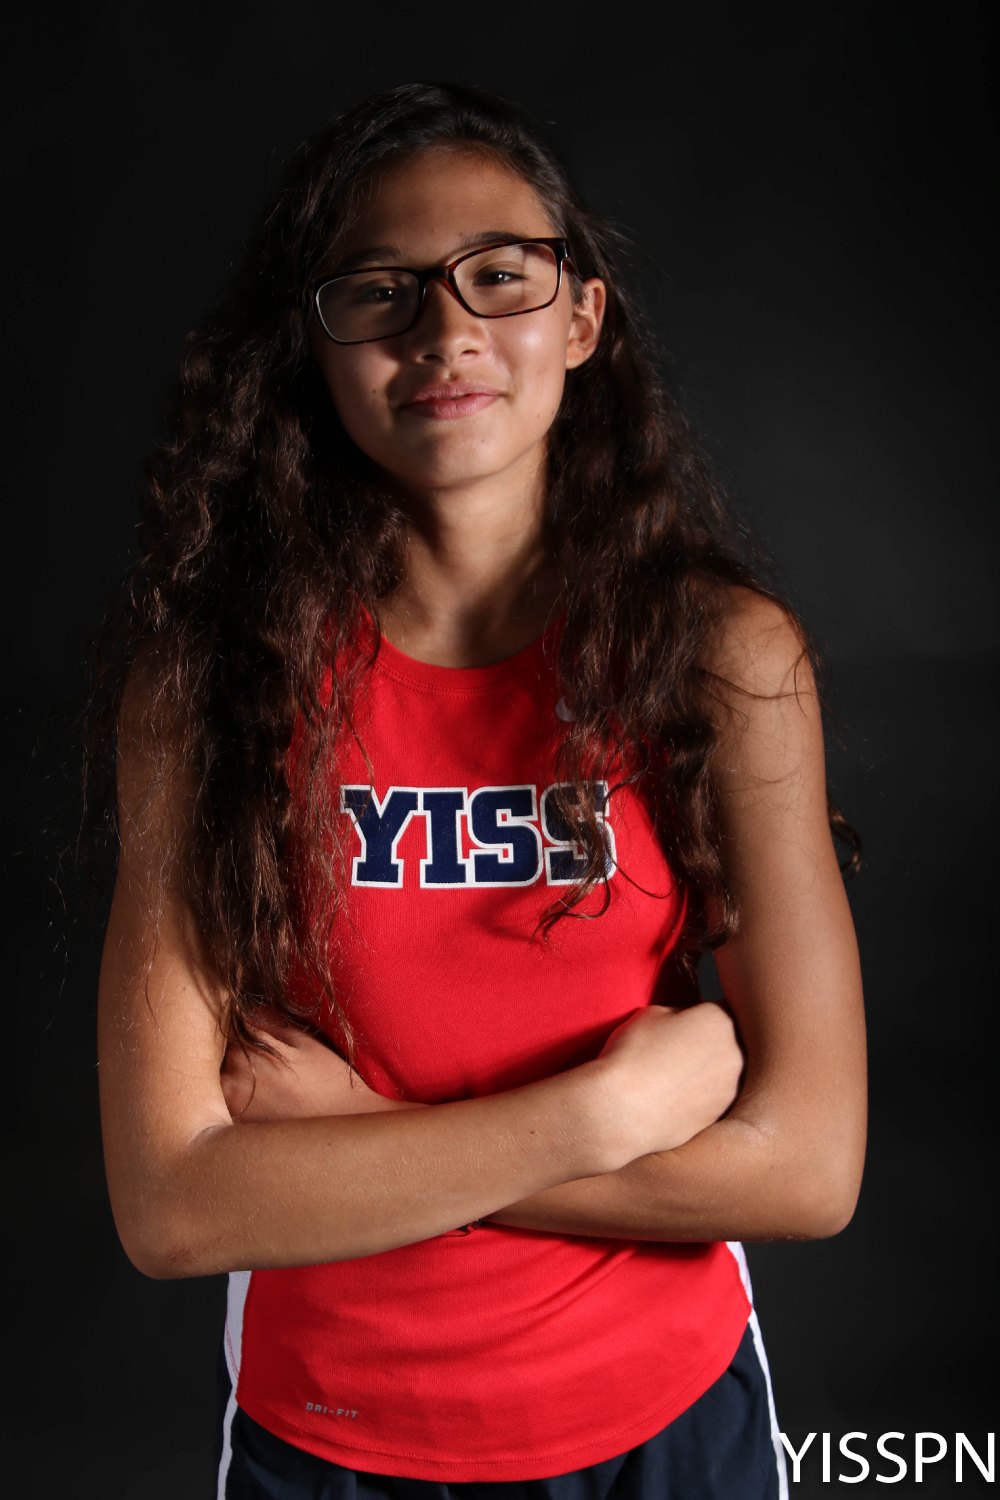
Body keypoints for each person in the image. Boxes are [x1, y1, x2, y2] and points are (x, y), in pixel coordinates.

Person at [92, 80, 866, 1500]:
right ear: (316, 352)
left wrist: (350, 1140)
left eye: (499, 276)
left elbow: (810, 1170)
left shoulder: (723, 660)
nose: (446, 329)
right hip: (335, 1441)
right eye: (380, 293)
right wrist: (601, 1115)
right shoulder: (214, 689)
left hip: (669, 1429)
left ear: (583, 318)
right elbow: (170, 1202)